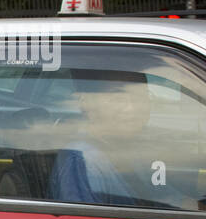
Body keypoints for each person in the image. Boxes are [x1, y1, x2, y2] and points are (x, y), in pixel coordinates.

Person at [48, 69, 185, 207]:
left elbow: (168, 198)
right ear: (87, 103)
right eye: (118, 98)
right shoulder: (82, 159)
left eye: (140, 96)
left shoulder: (132, 150)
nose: (132, 108)